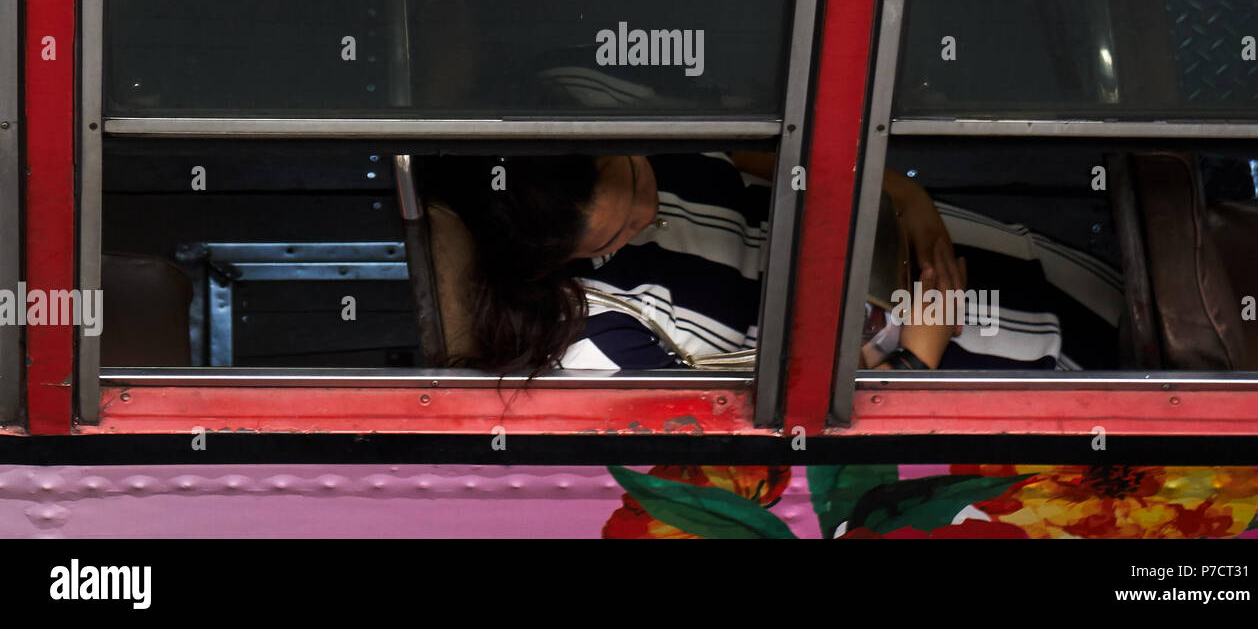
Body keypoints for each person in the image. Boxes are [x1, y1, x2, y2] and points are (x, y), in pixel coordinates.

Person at [423, 150, 1108, 374]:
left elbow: (772, 143)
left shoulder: (617, 121)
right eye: (624, 225)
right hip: (981, 364)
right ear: (552, 265)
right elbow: (780, 441)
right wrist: (920, 350)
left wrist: (906, 196)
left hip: (1002, 261)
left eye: (634, 175)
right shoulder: (599, 345)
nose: (650, 206)